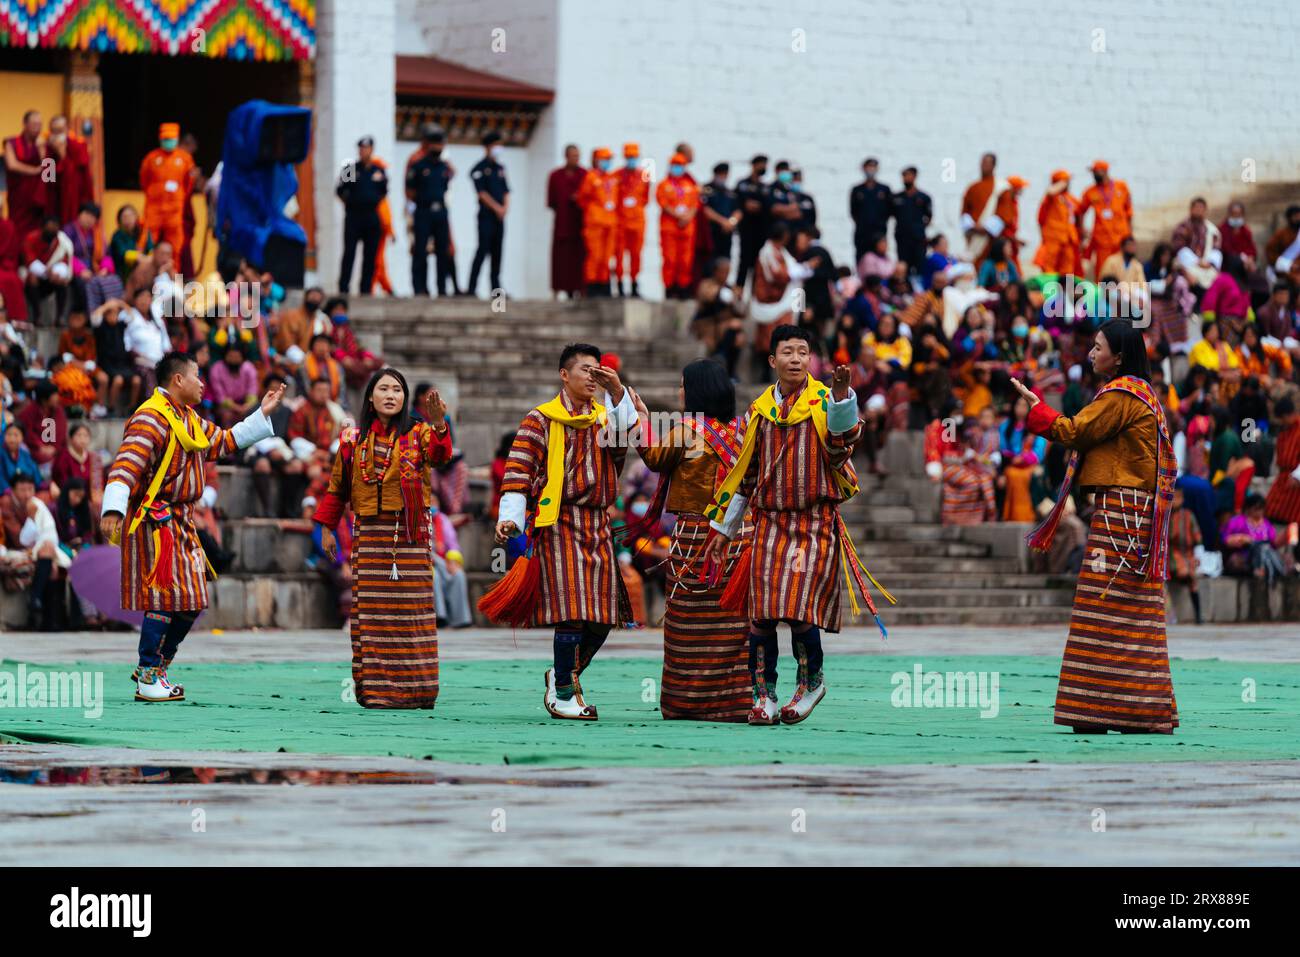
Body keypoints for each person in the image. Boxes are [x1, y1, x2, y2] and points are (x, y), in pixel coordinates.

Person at [703, 325, 883, 726]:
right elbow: (745, 475)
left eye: (803, 351)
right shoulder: (759, 411)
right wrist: (723, 530)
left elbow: (843, 446)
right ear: (773, 361)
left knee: (799, 609)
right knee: (762, 617)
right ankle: (763, 695)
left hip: (812, 522)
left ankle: (811, 682)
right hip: (768, 525)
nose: (797, 359)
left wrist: (840, 400)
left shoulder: (824, 402)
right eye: (788, 352)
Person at [1010, 319, 1178, 734]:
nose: (1090, 353)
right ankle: (1134, 711)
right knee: (1130, 613)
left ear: (1118, 357)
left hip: (1121, 514)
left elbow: (1075, 431)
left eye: (1098, 347)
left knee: (1101, 607)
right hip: (1134, 513)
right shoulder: (1143, 394)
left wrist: (1037, 409)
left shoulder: (1121, 395)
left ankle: (1098, 710)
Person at [101, 352, 284, 702]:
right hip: (155, 521)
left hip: (181, 520)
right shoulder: (150, 419)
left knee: (191, 600)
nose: (203, 383)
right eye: (197, 376)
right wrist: (112, 508)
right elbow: (125, 464)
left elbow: (227, 441)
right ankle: (147, 675)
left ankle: (158, 670)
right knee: (165, 596)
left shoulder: (190, 419)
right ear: (178, 380)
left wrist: (263, 414)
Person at [482, 343, 637, 720]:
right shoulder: (540, 418)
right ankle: (565, 694)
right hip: (559, 520)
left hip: (599, 523)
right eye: (584, 369)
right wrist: (511, 518)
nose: (591, 376)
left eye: (597, 370)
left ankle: (562, 675)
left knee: (603, 615)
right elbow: (518, 470)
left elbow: (634, 438)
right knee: (571, 610)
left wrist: (618, 392)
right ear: (564, 375)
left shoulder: (606, 417)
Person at [313, 370, 452, 708]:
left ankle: (418, 691)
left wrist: (439, 425)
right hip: (370, 539)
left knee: (412, 615)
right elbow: (338, 488)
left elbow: (440, 456)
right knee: (372, 618)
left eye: (397, 390)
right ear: (370, 398)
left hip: (409, 537)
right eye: (384, 389)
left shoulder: (419, 433)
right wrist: (328, 528)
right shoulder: (351, 439)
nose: (391, 395)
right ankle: (377, 693)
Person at [629, 358, 751, 721]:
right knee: (734, 624)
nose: (679, 392)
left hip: (696, 536)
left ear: (695, 390)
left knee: (687, 624)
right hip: (737, 536)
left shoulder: (686, 430)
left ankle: (687, 703)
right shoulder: (741, 431)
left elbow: (653, 459)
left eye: (683, 385)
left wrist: (641, 420)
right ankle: (736, 702)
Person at [336, 136, 388, 294]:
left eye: (366, 148)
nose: (363, 151)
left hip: (371, 216)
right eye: (361, 148)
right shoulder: (351, 168)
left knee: (370, 255)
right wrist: (351, 202)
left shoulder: (378, 170)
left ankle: (366, 289)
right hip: (354, 216)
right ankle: (344, 288)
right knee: (349, 252)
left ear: (371, 149)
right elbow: (340, 190)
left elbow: (383, 191)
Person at [407, 125, 454, 297]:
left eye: (440, 143)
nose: (438, 147)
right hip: (423, 211)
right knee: (420, 250)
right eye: (435, 143)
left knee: (443, 251)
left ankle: (442, 288)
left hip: (440, 212)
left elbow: (450, 181)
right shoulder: (418, 165)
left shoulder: (444, 167)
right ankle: (420, 288)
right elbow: (410, 191)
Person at [138, 123, 195, 259]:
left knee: (175, 245)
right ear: (160, 138)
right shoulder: (151, 158)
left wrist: (178, 197)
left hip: (175, 210)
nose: (168, 141)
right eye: (165, 138)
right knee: (147, 240)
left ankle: (174, 276)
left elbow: (189, 183)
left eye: (171, 138)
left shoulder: (185, 159)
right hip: (154, 208)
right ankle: (147, 275)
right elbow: (144, 180)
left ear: (176, 138)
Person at [466, 131, 510, 297]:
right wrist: (496, 208)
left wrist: (505, 208)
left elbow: (506, 190)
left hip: (500, 217)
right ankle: (471, 289)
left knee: (497, 253)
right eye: (496, 145)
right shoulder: (479, 168)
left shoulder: (500, 168)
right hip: (486, 216)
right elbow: (481, 193)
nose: (499, 148)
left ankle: (497, 291)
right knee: (482, 251)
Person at [1077, 160, 1133, 279]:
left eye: (1096, 172)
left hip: (1121, 238)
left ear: (1104, 171)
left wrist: (1130, 235)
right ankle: (1103, 296)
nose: (1094, 175)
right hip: (1102, 240)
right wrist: (1082, 230)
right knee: (1103, 271)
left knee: (1122, 270)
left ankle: (1121, 296)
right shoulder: (1090, 192)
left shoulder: (1121, 187)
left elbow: (1129, 213)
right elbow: (1080, 212)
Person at [656, 152, 700, 299]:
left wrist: (687, 217)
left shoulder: (689, 185)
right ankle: (669, 288)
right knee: (670, 259)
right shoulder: (664, 185)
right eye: (675, 166)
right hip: (670, 228)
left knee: (685, 260)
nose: (677, 169)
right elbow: (663, 204)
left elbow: (695, 204)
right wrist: (678, 215)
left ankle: (683, 288)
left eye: (680, 166)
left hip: (686, 229)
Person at [576, 146, 618, 297]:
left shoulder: (612, 179)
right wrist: (594, 212)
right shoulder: (590, 178)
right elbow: (582, 199)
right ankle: (592, 286)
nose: (607, 162)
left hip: (610, 223)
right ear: (597, 160)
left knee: (607, 257)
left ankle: (604, 284)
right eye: (605, 159)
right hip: (595, 224)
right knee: (595, 256)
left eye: (609, 159)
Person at [546, 144, 586, 299]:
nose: (575, 159)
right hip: (562, 224)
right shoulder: (555, 176)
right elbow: (551, 202)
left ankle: (579, 291)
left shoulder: (584, 175)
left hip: (579, 225)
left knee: (578, 261)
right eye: (573, 156)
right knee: (560, 261)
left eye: (577, 156)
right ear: (566, 156)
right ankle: (556, 291)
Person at [1221, 493, 1288, 581]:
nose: (1259, 512)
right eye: (1256, 509)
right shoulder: (1237, 521)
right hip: (1244, 557)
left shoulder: (1267, 525)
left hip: (1264, 558)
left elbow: (1273, 543)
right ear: (1248, 508)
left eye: (1261, 509)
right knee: (1235, 561)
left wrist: (1285, 536)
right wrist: (1243, 539)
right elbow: (1226, 539)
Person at [429, 492, 471, 628]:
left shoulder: (443, 520)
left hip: (443, 560)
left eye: (435, 503)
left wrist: (453, 561)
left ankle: (461, 620)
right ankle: (439, 617)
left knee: (458, 575)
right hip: (427, 560)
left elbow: (452, 545)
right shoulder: (418, 518)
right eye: (430, 503)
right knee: (434, 578)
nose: (432, 506)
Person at [3, 110, 47, 238]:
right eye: (34, 124)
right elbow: (12, 165)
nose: (37, 128)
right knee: (17, 230)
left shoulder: (44, 144)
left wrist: (42, 151)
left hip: (39, 199)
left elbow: (50, 174)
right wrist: (35, 170)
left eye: (39, 125)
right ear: (25, 124)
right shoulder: (11, 142)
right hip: (19, 197)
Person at [46, 114, 94, 229]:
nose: (57, 134)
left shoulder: (79, 146)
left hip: (76, 196)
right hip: (56, 198)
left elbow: (77, 175)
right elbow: (47, 178)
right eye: (54, 131)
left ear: (67, 129)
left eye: (60, 130)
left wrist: (62, 155)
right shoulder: (48, 149)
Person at [23, 214, 74, 321]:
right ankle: (38, 316)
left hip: (51, 277)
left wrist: (57, 273)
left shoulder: (61, 241)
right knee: (32, 278)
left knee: (62, 280)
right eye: (49, 227)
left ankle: (60, 317)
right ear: (42, 228)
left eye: (55, 227)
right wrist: (47, 272)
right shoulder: (31, 238)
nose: (52, 230)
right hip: (33, 276)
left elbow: (64, 261)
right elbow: (30, 261)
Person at [614, 143, 649, 297]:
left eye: (634, 157)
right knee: (619, 255)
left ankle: (635, 284)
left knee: (636, 255)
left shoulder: (644, 175)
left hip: (637, 221)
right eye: (629, 157)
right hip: (620, 221)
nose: (631, 159)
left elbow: (646, 198)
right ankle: (620, 285)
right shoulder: (616, 175)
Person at [1033, 171, 1081, 276]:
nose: (1068, 184)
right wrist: (1061, 183)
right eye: (1065, 181)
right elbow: (1050, 191)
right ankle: (1050, 291)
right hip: (1053, 240)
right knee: (1049, 268)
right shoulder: (1051, 197)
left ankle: (1067, 291)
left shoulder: (1070, 198)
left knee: (1068, 269)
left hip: (1068, 240)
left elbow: (1079, 213)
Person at [734, 154, 770, 291]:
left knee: (758, 265)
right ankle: (738, 294)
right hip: (746, 231)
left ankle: (755, 296)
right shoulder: (743, 184)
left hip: (761, 232)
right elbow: (738, 203)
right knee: (744, 263)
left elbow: (767, 206)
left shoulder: (765, 188)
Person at [850, 157, 892, 267]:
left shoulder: (884, 189)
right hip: (862, 232)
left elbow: (889, 211)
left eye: (873, 167)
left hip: (879, 231)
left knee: (879, 261)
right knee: (862, 260)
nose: (871, 170)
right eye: (869, 167)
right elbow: (853, 212)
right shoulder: (857, 190)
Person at [891, 166, 932, 277]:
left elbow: (929, 217)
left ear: (914, 177)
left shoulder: (923, 197)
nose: (906, 178)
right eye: (904, 176)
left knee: (920, 267)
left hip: (918, 239)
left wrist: (918, 228)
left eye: (909, 175)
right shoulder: (896, 198)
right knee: (904, 267)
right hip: (902, 239)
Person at [700, 162, 739, 270]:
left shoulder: (729, 192)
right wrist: (722, 221)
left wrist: (731, 222)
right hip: (711, 233)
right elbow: (705, 209)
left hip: (726, 234)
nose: (723, 177)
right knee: (708, 264)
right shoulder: (706, 189)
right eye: (721, 174)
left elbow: (737, 211)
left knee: (724, 263)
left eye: (725, 174)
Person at [109, 205, 152, 281]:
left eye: (131, 216)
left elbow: (151, 249)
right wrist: (142, 258)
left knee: (170, 267)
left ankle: (179, 288)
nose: (128, 219)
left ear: (136, 217)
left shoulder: (144, 232)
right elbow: (124, 254)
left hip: (146, 266)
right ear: (119, 220)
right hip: (125, 270)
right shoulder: (117, 235)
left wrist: (150, 259)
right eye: (125, 217)